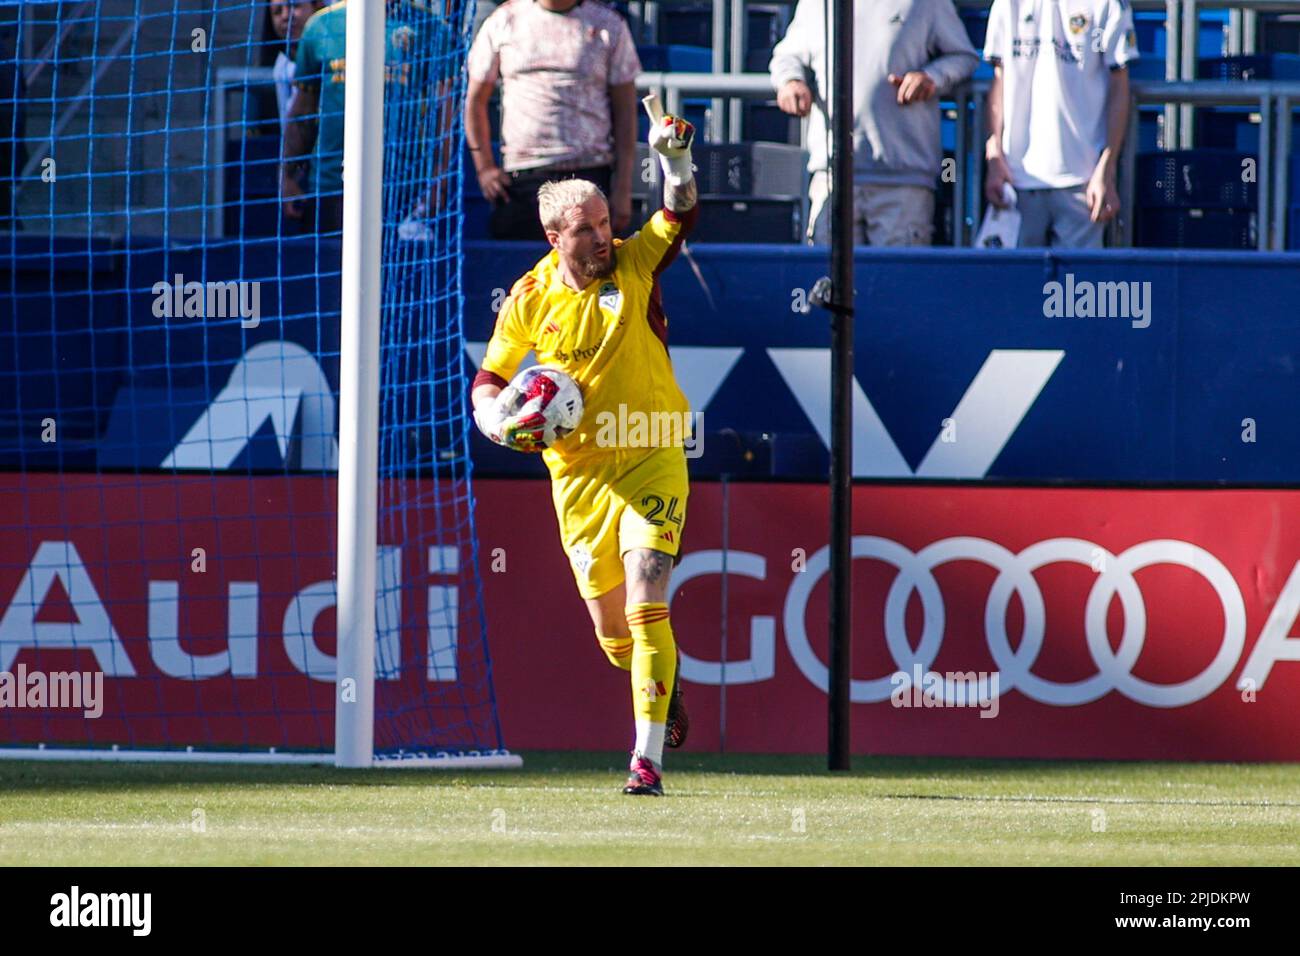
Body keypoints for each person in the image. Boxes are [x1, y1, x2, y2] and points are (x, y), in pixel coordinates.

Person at [470, 109, 698, 796]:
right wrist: (492, 420)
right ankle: (661, 686)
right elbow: (491, 378)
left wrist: (676, 162)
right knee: (611, 634)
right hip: (579, 479)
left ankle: (646, 761)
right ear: (553, 236)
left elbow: (678, 216)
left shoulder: (632, 265)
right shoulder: (529, 299)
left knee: (646, 592)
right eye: (587, 229)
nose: (603, 235)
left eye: (605, 221)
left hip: (652, 450)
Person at [770, 0, 977, 246]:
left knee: (897, 281)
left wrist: (932, 77)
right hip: (832, 176)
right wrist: (790, 81)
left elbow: (963, 56)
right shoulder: (816, 4)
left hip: (903, 178)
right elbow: (786, 56)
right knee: (827, 280)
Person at [465, 0, 641, 241]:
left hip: (590, 174)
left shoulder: (609, 25)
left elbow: (625, 111)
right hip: (523, 178)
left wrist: (622, 188)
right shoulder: (503, 20)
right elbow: (475, 101)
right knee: (522, 273)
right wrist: (484, 168)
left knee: (589, 272)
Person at [282, 0, 457, 233]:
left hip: (404, 188)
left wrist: (439, 181)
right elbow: (303, 109)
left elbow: (444, 112)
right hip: (331, 185)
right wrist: (286, 176)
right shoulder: (322, 25)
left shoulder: (432, 28)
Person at [983, 0, 1138, 247]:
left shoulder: (1107, 4)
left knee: (1077, 285)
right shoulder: (1007, 3)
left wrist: (1106, 169)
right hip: (1017, 178)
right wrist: (994, 154)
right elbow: (999, 80)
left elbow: (1120, 85)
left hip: (1083, 181)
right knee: (1016, 284)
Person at [267, 0, 322, 137]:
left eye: (294, 6)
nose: (286, 16)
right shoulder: (281, 66)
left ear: (317, 6)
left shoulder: (329, 58)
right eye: (277, 11)